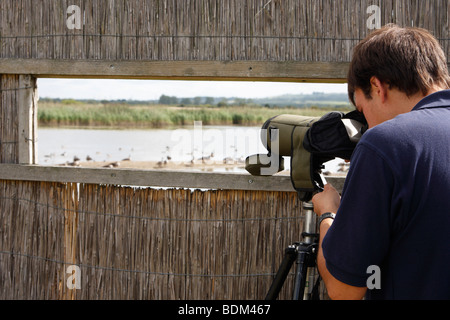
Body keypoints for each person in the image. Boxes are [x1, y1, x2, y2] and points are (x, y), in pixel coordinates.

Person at [311, 24, 450, 300]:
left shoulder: (385, 143)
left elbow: (344, 290)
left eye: (363, 110)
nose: (367, 125)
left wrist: (329, 215)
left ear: (377, 86)